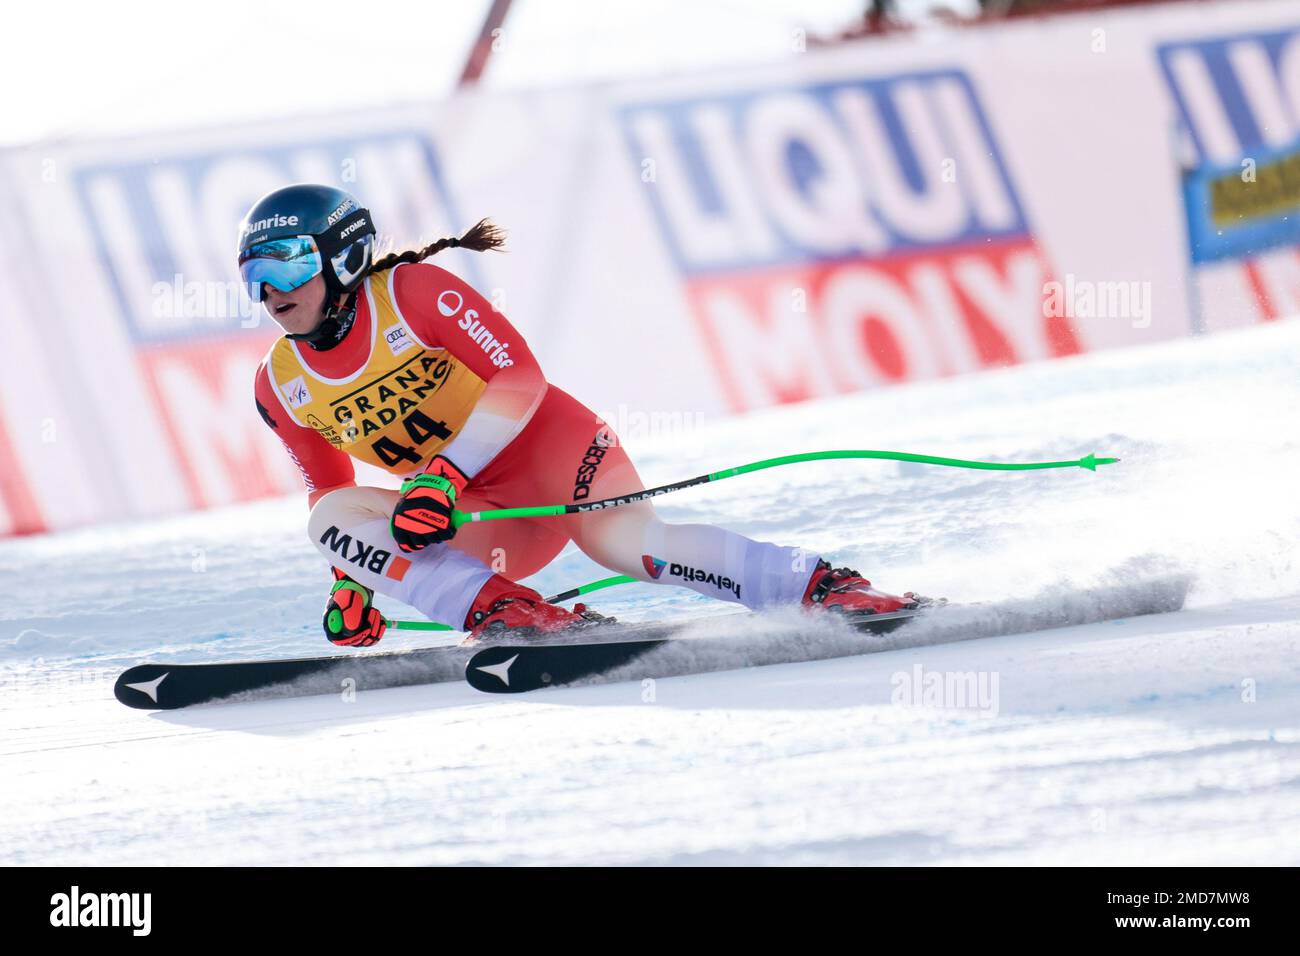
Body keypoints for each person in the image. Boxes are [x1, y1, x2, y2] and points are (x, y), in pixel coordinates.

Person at [241, 184, 918, 648]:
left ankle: (819, 586)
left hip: (556, 458)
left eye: (288, 264)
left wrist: (442, 475)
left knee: (627, 545)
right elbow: (335, 499)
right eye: (254, 275)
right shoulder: (282, 384)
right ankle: (506, 610)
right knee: (326, 520)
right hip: (481, 517)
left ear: (344, 255)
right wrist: (355, 580)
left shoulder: (414, 296)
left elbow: (520, 376)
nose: (270, 290)